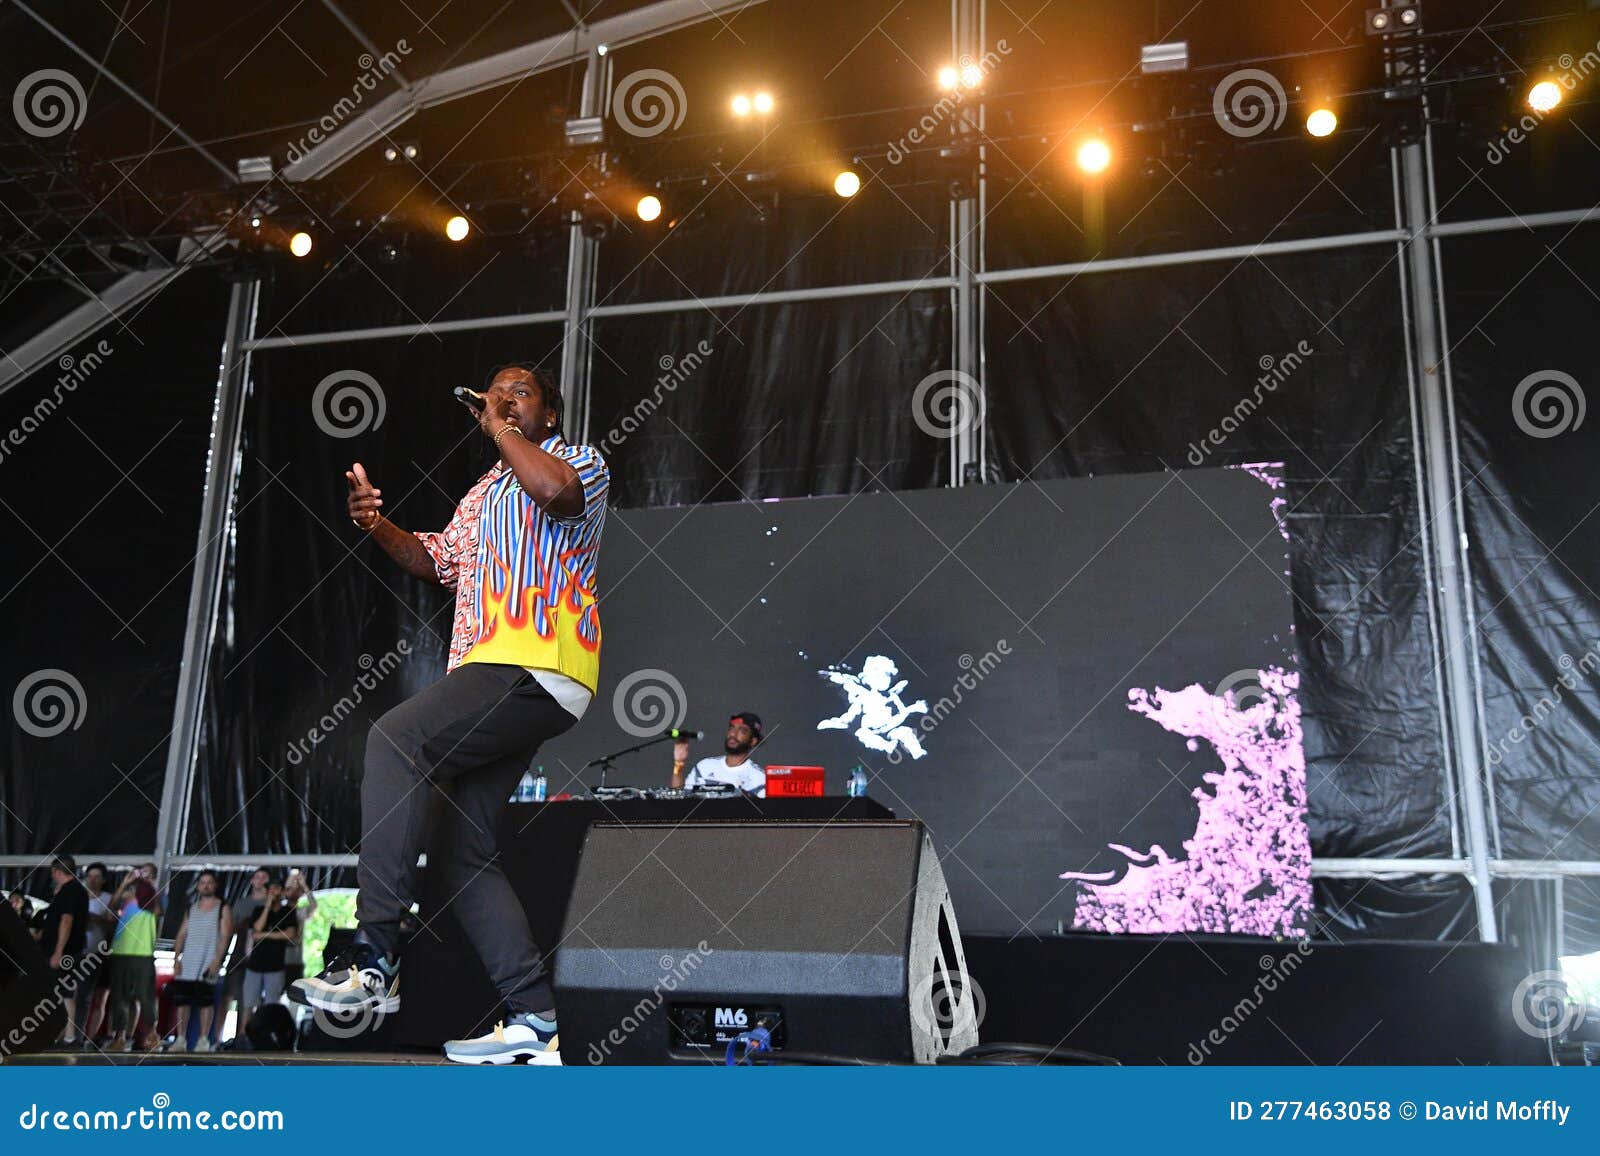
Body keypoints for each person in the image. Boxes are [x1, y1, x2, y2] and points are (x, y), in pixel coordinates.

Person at [292, 363, 608, 1067]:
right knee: (464, 856)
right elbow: (434, 561)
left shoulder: (576, 459)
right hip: (493, 677)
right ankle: (536, 1019)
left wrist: (499, 427)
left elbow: (555, 492)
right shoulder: (482, 496)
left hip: (534, 661)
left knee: (396, 741)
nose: (503, 400)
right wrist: (377, 524)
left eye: (519, 393)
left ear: (547, 416)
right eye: (495, 394)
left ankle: (372, 954)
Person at [169, 870, 232, 1053]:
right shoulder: (192, 907)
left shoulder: (223, 907)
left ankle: (203, 1039)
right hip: (188, 962)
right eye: (202, 882)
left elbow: (225, 936)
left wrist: (217, 961)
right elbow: (181, 934)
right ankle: (180, 1039)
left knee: (206, 1002)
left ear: (215, 885)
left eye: (209, 882)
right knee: (182, 1002)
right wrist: (176, 958)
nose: (206, 885)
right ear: (198, 886)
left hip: (208, 962)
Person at [240, 878, 298, 1037]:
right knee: (249, 1004)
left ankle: (267, 1035)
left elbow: (290, 934)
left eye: (277, 888)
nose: (274, 892)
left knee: (272, 1004)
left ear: (282, 891)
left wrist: (264, 935)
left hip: (276, 966)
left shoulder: (288, 911)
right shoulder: (258, 910)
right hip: (255, 965)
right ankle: (243, 1037)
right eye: (270, 889)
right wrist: (267, 906)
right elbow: (255, 930)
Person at [106, 877, 159, 1052]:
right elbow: (109, 911)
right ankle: (119, 1037)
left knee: (146, 997)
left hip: (143, 955)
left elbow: (159, 910)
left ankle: (152, 1035)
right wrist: (122, 884)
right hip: (120, 953)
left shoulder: (150, 903)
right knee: (120, 997)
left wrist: (148, 885)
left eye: (131, 889)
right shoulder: (123, 906)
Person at [41, 855, 89, 1045]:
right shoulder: (75, 890)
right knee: (61, 992)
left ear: (56, 872)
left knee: (63, 992)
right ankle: (63, 1033)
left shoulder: (70, 891)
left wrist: (58, 951)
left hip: (65, 952)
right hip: (69, 949)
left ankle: (68, 1035)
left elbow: (66, 920)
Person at [219, 868, 268, 1042]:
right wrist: (222, 957)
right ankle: (216, 1039)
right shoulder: (240, 903)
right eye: (257, 877)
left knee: (248, 1001)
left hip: (259, 958)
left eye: (263, 877)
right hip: (238, 955)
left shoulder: (271, 904)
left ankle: (243, 1037)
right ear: (252, 881)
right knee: (227, 995)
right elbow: (229, 932)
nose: (259, 880)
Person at [672, 712, 768, 796]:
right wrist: (679, 763)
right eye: (731, 728)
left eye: (742, 731)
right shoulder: (704, 767)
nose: (733, 734)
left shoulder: (760, 779)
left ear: (753, 741)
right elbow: (680, 801)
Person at [81, 862, 116, 1045]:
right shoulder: (78, 897)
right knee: (78, 996)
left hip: (100, 953)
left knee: (99, 997)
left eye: (97, 877)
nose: (92, 880)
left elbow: (115, 925)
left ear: (103, 880)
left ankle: (89, 1037)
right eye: (90, 876)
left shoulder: (109, 899)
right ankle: (71, 1034)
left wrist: (99, 920)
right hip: (79, 952)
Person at [282, 871, 317, 986]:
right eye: (290, 889)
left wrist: (304, 886)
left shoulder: (300, 912)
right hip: (278, 959)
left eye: (297, 890)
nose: (294, 892)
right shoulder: (278, 911)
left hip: (296, 959)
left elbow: (313, 906)